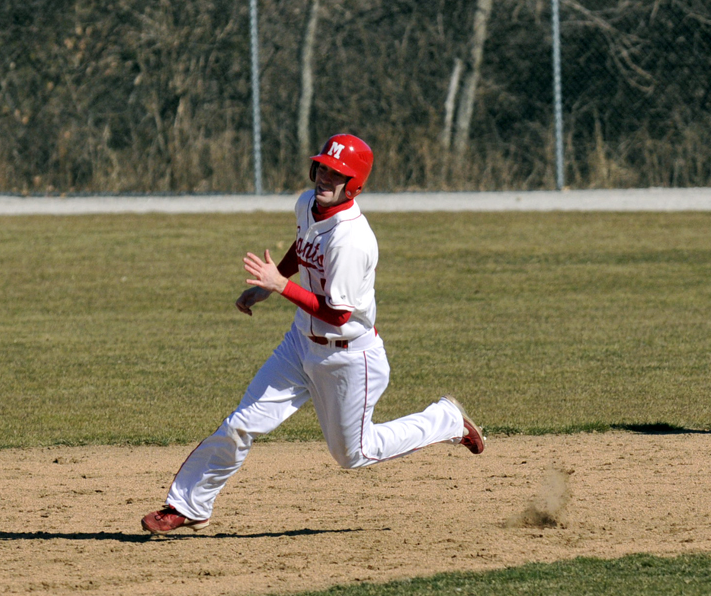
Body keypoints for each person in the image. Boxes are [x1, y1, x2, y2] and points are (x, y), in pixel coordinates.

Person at [142, 133, 484, 534]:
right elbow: (302, 247)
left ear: (353, 183)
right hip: (299, 344)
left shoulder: (352, 241)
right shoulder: (308, 203)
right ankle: (189, 505)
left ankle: (445, 421)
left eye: (336, 173)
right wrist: (270, 284)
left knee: (354, 455)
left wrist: (280, 286)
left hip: (347, 357)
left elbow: (338, 316)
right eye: (322, 167)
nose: (325, 177)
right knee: (241, 423)